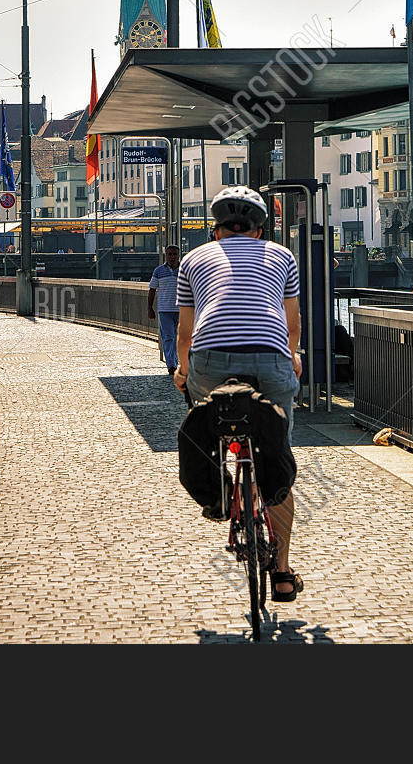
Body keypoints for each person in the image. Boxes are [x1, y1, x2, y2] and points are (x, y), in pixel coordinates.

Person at [173, 186, 304, 604]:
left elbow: (185, 332)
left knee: (207, 421)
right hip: (271, 359)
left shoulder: (193, 260)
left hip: (210, 360)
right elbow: (291, 322)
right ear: (261, 230)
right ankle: (282, 573)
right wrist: (294, 357)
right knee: (276, 447)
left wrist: (183, 369)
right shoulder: (282, 256)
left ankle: (220, 492)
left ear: (215, 232)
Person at [146, 245, 182, 376]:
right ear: (166, 256)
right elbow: (152, 290)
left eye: (174, 254)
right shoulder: (158, 271)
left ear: (178, 255)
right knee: (168, 338)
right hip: (165, 310)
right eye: (169, 254)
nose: (172, 257)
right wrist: (150, 308)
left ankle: (177, 362)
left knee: (180, 338)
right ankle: (171, 365)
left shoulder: (185, 270)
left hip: (182, 310)